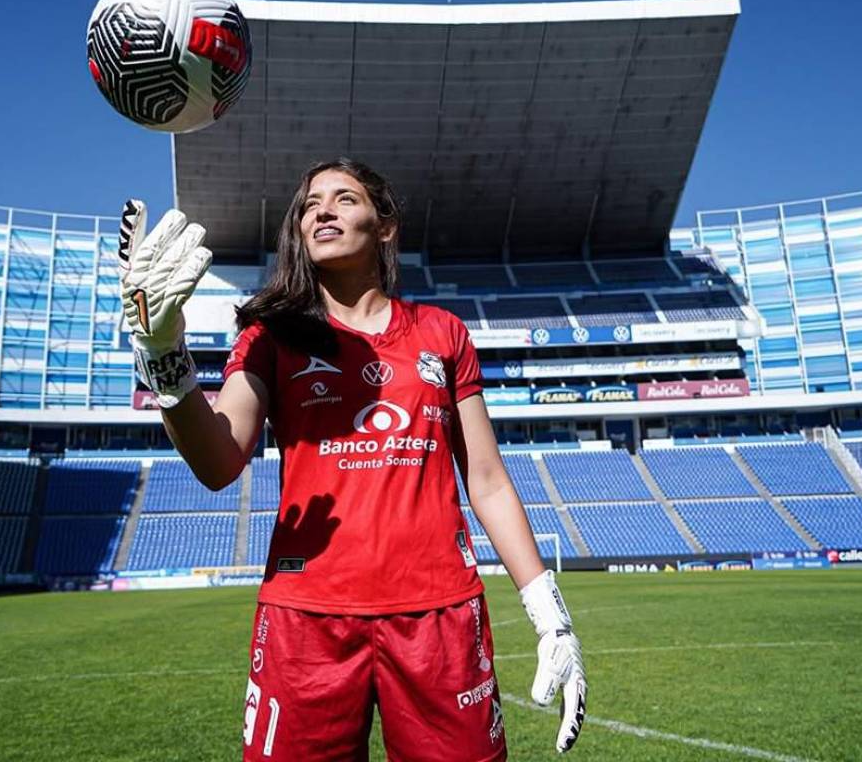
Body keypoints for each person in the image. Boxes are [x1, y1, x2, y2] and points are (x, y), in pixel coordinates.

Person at [118, 158, 586, 760]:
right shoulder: (269, 338)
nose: (323, 211)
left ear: (384, 226)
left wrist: (550, 616)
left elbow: (488, 481)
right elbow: (218, 462)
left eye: (344, 198)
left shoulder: (442, 333)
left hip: (439, 615)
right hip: (306, 620)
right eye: (310, 204)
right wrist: (164, 356)